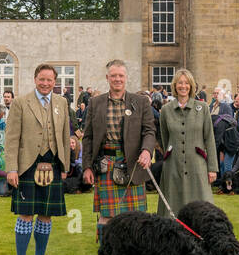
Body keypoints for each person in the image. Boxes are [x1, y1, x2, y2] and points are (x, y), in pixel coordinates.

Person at [4, 63, 72, 255]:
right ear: (35, 79)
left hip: (53, 163)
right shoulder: (20, 103)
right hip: (27, 165)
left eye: (49, 80)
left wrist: (64, 166)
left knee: (46, 214)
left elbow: (64, 135)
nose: (45, 83)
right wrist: (12, 169)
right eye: (42, 79)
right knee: (26, 214)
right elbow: (12, 138)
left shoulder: (61, 102)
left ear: (55, 82)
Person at [81, 59, 156, 244]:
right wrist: (87, 167)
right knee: (107, 216)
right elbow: (88, 137)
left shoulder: (140, 102)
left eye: (120, 75)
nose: (117, 79)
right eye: (113, 75)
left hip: (133, 163)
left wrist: (147, 151)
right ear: (107, 78)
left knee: (137, 217)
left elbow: (149, 131)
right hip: (106, 165)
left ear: (126, 78)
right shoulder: (95, 102)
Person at [155, 68, 218, 214]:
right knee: (173, 205)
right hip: (173, 166)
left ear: (191, 86)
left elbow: (209, 138)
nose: (183, 86)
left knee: (201, 207)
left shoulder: (202, 108)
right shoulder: (166, 110)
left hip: (197, 165)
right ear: (175, 86)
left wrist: (212, 168)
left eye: (186, 83)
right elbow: (164, 138)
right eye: (180, 83)